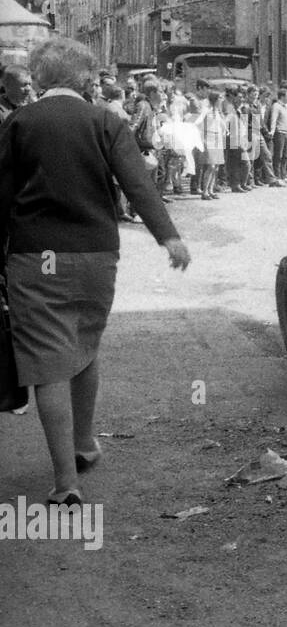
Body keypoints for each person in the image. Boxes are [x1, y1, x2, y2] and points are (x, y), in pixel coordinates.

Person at [0, 37, 190, 506]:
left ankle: (66, 484)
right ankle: (85, 444)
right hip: (96, 257)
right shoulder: (107, 120)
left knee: (48, 366)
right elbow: (138, 183)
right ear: (86, 79)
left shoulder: (19, 121)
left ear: (41, 77)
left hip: (36, 257)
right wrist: (169, 237)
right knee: (84, 348)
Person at [269, 88, 287, 181]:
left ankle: (283, 176)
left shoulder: (285, 107)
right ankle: (277, 176)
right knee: (278, 156)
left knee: (285, 156)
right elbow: (273, 119)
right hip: (279, 133)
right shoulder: (276, 105)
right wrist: (272, 131)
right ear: (282, 96)